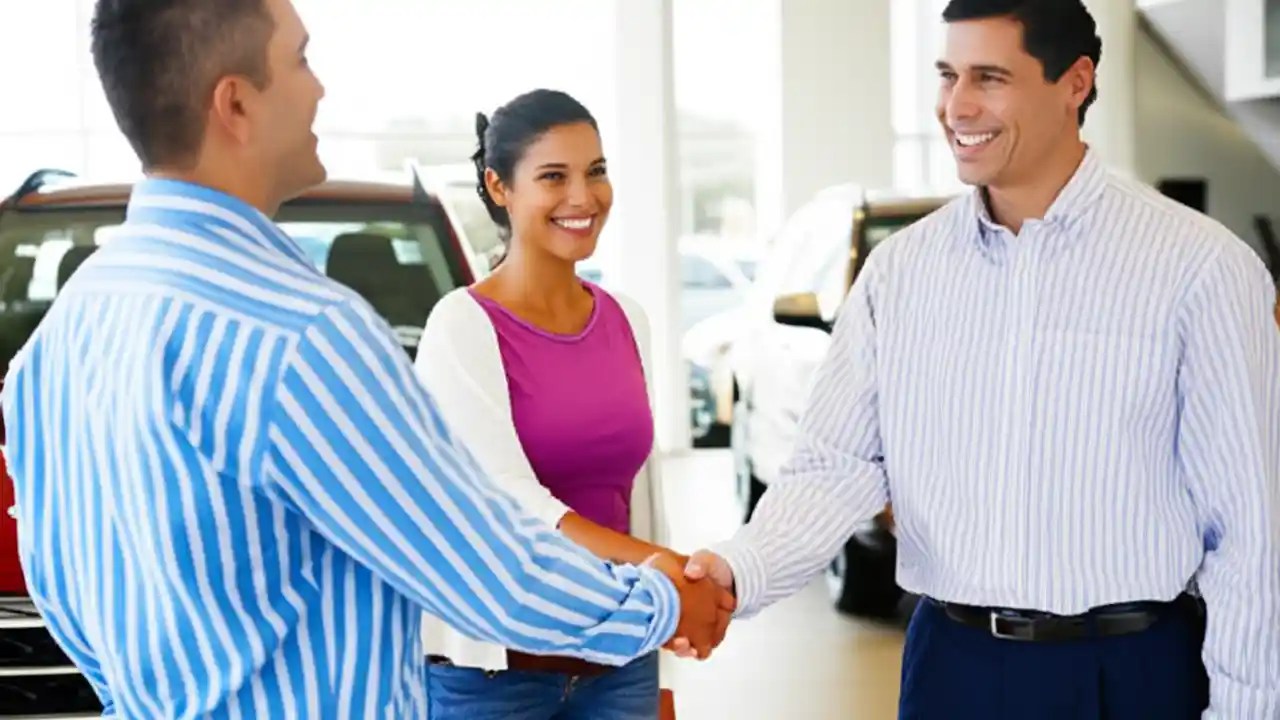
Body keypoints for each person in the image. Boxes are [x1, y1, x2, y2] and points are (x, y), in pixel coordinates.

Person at [0, 0, 733, 717]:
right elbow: (489, 574)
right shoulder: (302, 334)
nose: (319, 87)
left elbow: (63, 593)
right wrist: (665, 602)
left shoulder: (57, 342)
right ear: (235, 105)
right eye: (300, 59)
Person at [685, 1, 1280, 717]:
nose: (956, 106)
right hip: (951, 666)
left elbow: (1251, 529)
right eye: (946, 75)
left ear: (1076, 82)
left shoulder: (1201, 268)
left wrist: (1249, 707)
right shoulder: (900, 273)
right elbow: (834, 468)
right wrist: (734, 570)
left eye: (990, 77)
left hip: (1130, 672)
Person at [413, 90, 690, 719]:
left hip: (618, 665)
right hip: (498, 677)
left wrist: (664, 664)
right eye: (553, 177)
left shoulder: (627, 319)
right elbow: (511, 498)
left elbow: (641, 496)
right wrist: (666, 569)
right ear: (498, 186)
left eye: (595, 171)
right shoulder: (462, 325)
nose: (583, 197)